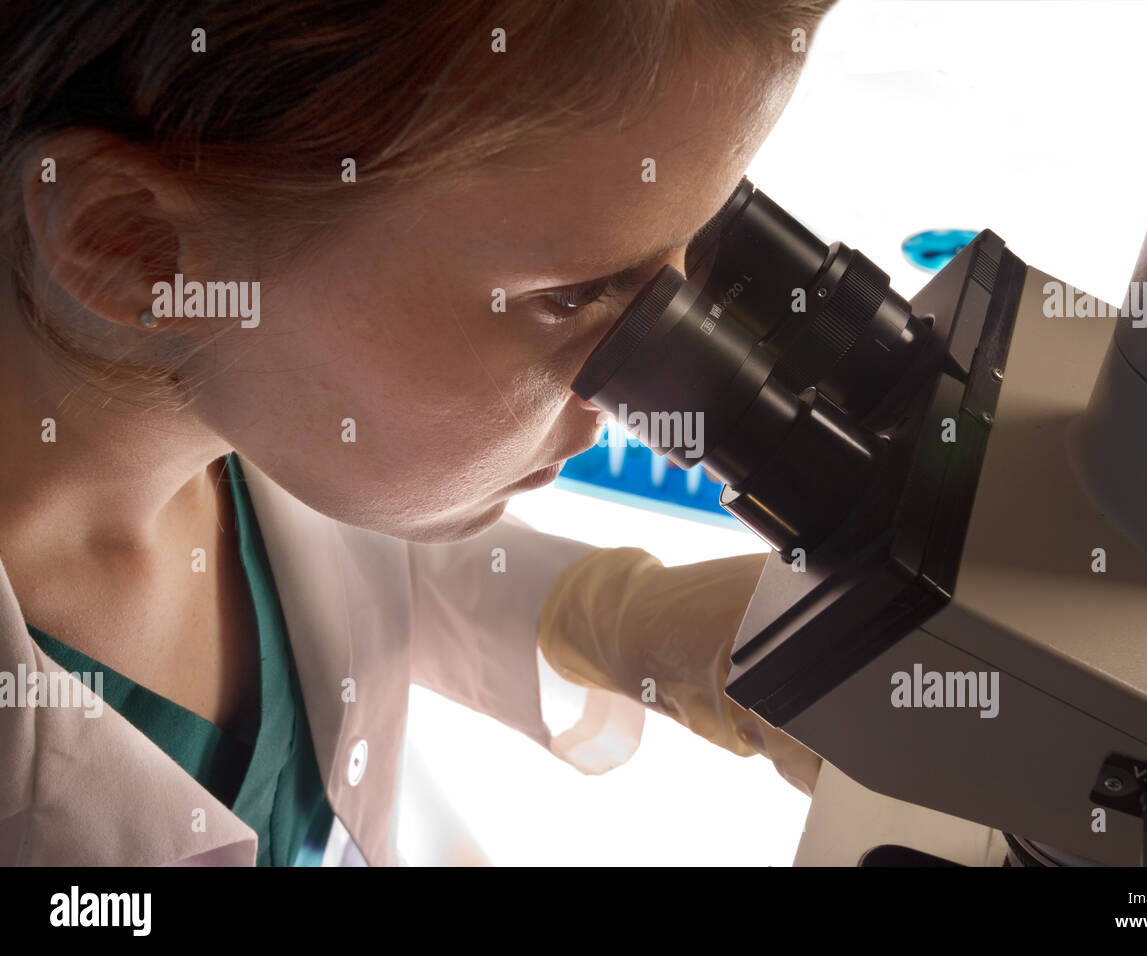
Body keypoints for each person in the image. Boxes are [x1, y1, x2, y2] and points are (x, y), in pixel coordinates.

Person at [0, 0, 831, 866]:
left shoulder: (249, 414)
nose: (644, 407)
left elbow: (354, 558)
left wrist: (615, 616)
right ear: (131, 245)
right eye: (576, 294)